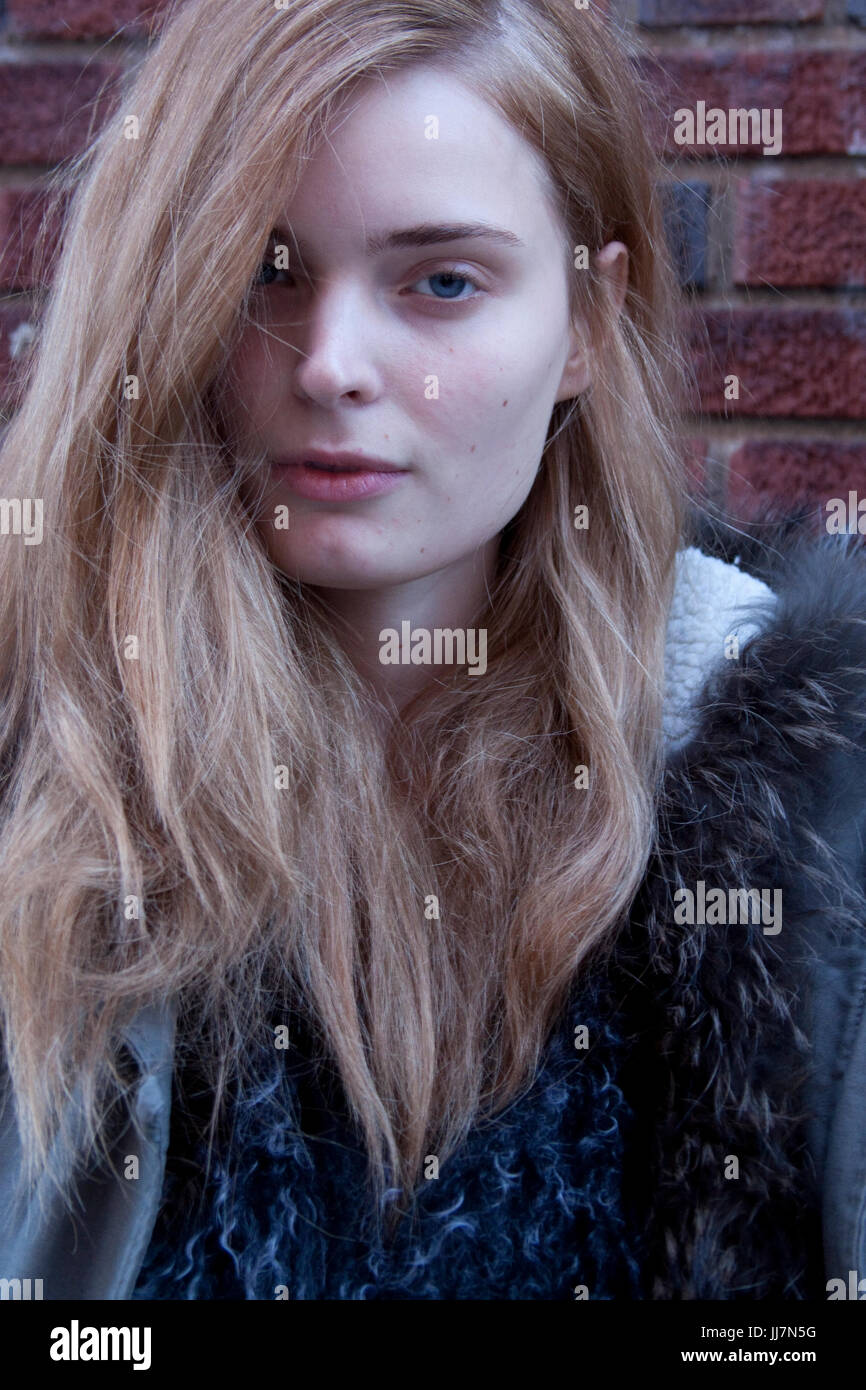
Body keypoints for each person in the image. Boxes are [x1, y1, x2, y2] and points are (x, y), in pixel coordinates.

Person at [0, 0, 864, 1302]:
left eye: (441, 280)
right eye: (264, 271)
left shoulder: (821, 815)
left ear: (584, 318)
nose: (335, 363)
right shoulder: (39, 768)